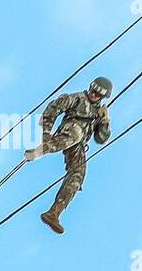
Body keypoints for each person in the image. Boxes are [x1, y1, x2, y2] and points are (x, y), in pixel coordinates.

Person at [24, 77, 112, 234]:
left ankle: (54, 213)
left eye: (98, 95)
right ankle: (39, 151)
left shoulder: (99, 113)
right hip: (68, 132)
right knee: (76, 134)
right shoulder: (78, 98)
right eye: (93, 91)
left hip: (78, 145)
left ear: (103, 97)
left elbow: (101, 139)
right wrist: (46, 132)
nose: (93, 95)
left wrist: (104, 121)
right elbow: (53, 107)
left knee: (78, 175)